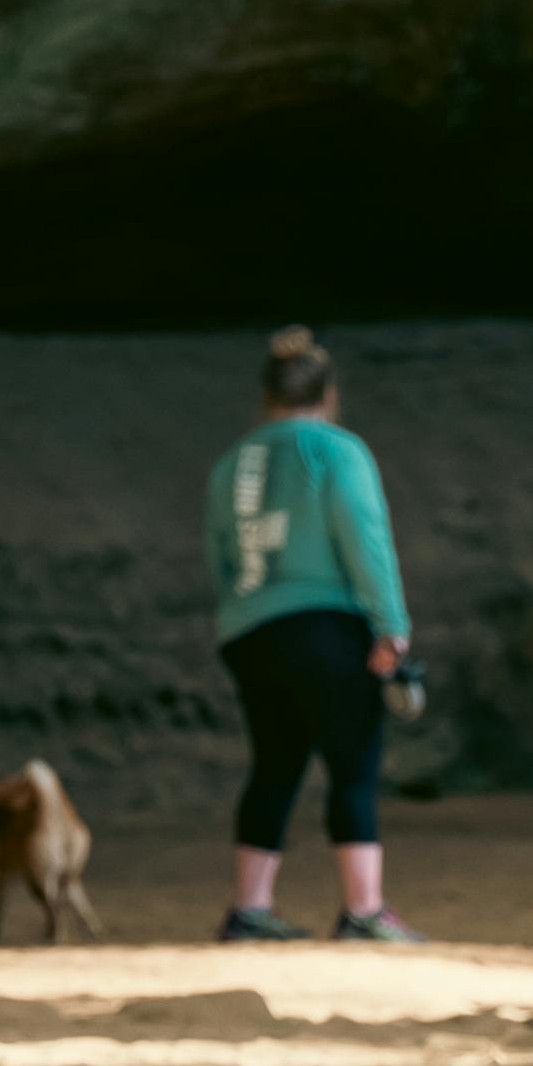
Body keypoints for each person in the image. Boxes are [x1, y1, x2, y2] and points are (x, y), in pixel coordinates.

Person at [208, 326, 419, 944]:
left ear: (265, 396)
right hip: (326, 625)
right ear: (329, 394)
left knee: (274, 761)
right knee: (353, 762)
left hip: (249, 630)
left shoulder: (232, 463)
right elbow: (364, 536)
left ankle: (249, 908)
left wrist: (238, 621)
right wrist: (391, 626)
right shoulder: (336, 450)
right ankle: (364, 909)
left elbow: (218, 553)